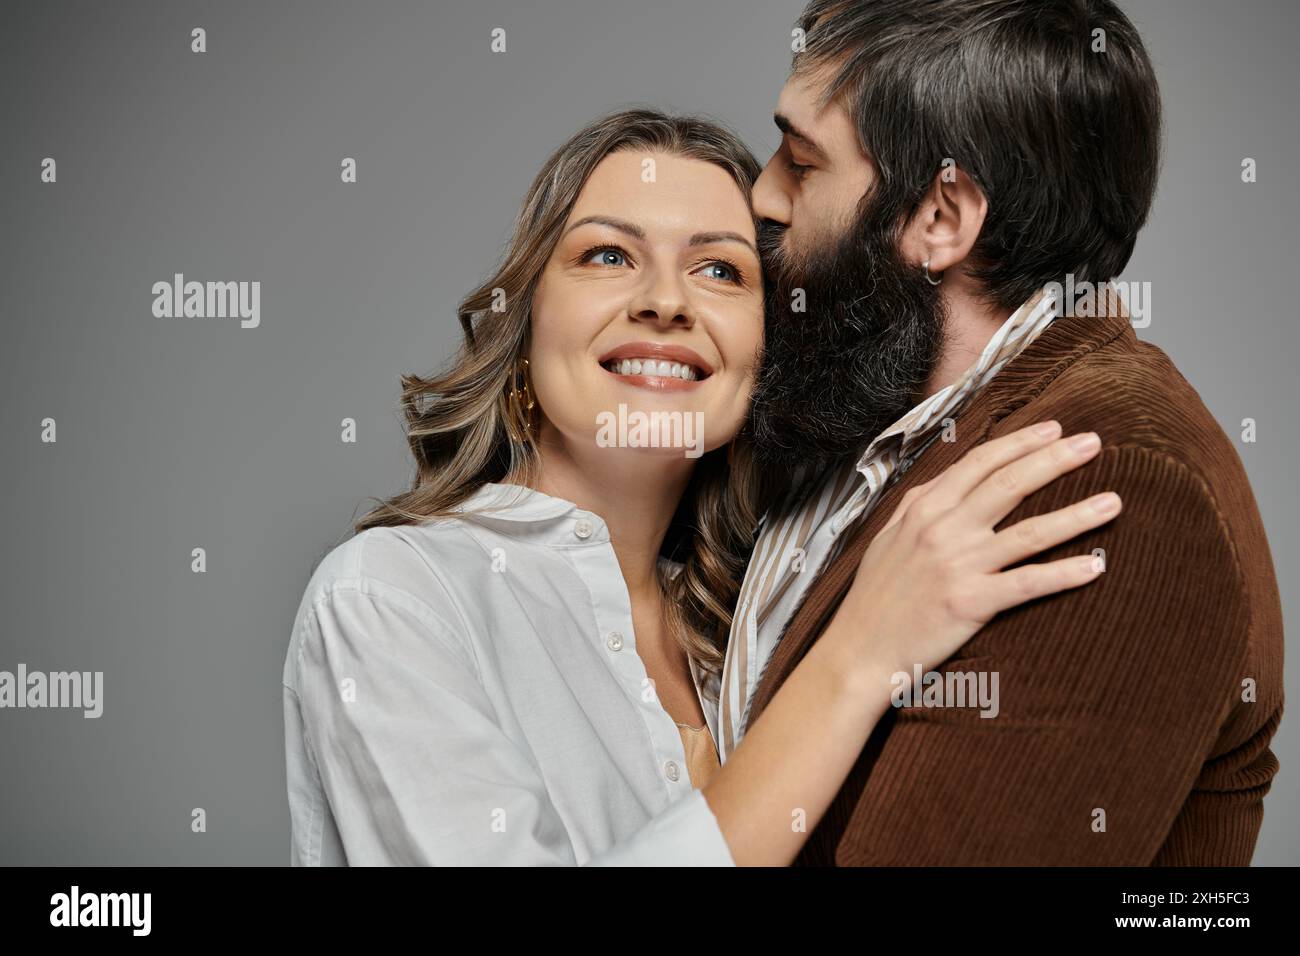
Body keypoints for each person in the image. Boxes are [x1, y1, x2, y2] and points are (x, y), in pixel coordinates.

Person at [281, 109, 1119, 865]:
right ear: (525, 328)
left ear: (765, 353)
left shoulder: (756, 628)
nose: (664, 303)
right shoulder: (394, 599)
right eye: (608, 255)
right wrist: (859, 658)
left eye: (720, 271)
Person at [730, 0, 1284, 864]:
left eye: (802, 164)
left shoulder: (1108, 485)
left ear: (943, 217)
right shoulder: (874, 413)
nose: (761, 194)